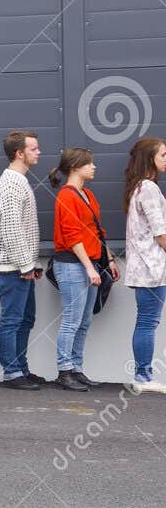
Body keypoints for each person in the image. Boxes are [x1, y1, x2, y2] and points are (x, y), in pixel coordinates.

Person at [50, 147, 114, 392]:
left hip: (89, 264)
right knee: (71, 320)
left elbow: (97, 232)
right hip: (71, 266)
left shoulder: (87, 194)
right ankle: (64, 371)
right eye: (90, 163)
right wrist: (90, 267)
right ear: (76, 167)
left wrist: (107, 260)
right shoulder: (67, 196)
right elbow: (72, 236)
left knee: (84, 320)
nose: (94, 167)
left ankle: (76, 368)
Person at [0, 130, 43, 389]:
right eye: (33, 149)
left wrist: (34, 264)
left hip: (21, 266)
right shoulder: (11, 183)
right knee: (12, 320)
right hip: (12, 268)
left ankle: (21, 367)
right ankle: (12, 372)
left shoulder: (20, 180)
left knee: (26, 319)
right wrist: (25, 264)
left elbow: (25, 227)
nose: (39, 152)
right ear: (19, 153)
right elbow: (11, 228)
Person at [123, 135, 166, 394]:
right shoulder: (148, 188)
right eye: (163, 155)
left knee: (146, 321)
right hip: (151, 269)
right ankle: (143, 375)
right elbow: (160, 233)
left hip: (145, 269)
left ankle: (143, 374)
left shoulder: (139, 187)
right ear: (150, 158)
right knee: (148, 322)